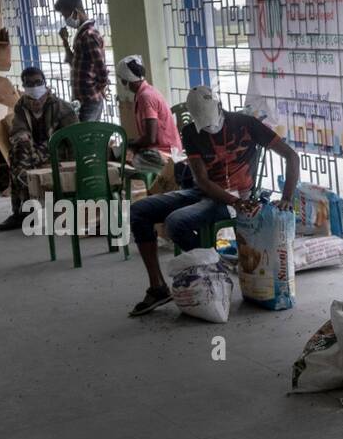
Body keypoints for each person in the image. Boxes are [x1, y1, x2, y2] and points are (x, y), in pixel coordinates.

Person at [126, 86, 299, 317]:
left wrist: (287, 197)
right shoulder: (191, 132)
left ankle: (215, 270)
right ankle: (159, 287)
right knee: (139, 210)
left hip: (240, 197)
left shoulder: (246, 124)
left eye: (211, 122)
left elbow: (291, 156)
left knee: (176, 223)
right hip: (208, 193)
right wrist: (232, 202)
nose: (209, 128)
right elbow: (203, 181)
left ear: (220, 107)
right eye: (203, 124)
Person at [0, 66, 78, 232]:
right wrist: (23, 137)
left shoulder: (62, 107)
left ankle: (24, 212)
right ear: (24, 86)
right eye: (29, 83)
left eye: (38, 82)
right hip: (31, 150)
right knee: (18, 153)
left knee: (20, 163)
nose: (34, 87)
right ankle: (23, 211)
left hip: (56, 149)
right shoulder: (22, 106)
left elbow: (74, 137)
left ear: (45, 83)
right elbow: (18, 128)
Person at [55, 0, 109, 123]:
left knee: (85, 138)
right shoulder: (81, 35)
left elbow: (101, 68)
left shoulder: (89, 35)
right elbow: (75, 63)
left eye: (65, 15)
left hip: (89, 99)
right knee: (83, 136)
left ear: (75, 12)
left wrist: (101, 88)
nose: (65, 20)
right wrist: (65, 42)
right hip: (82, 99)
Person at [116, 55, 180, 161]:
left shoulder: (146, 97)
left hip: (166, 152)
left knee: (122, 159)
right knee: (123, 152)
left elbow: (150, 138)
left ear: (126, 80)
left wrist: (131, 144)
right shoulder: (143, 93)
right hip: (161, 148)